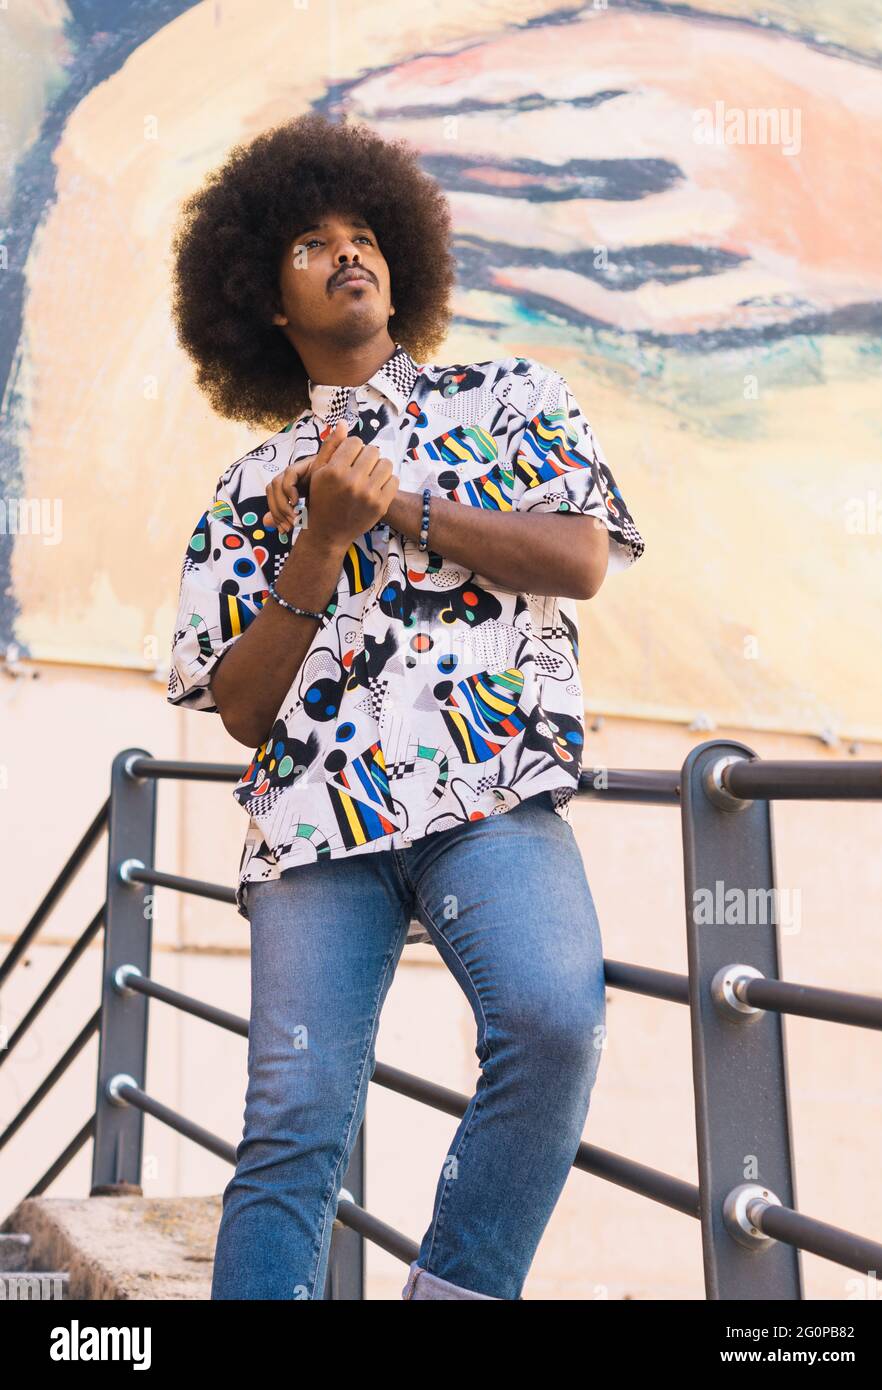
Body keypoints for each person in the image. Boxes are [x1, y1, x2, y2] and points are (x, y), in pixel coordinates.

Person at [167, 112, 645, 1300]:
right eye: (309, 243)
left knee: (550, 1022)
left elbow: (581, 557)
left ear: (403, 265)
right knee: (290, 1127)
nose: (346, 252)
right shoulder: (242, 490)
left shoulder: (511, 396)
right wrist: (318, 542)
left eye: (365, 233)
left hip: (491, 793)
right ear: (265, 304)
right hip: (315, 824)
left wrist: (401, 511)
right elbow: (239, 706)